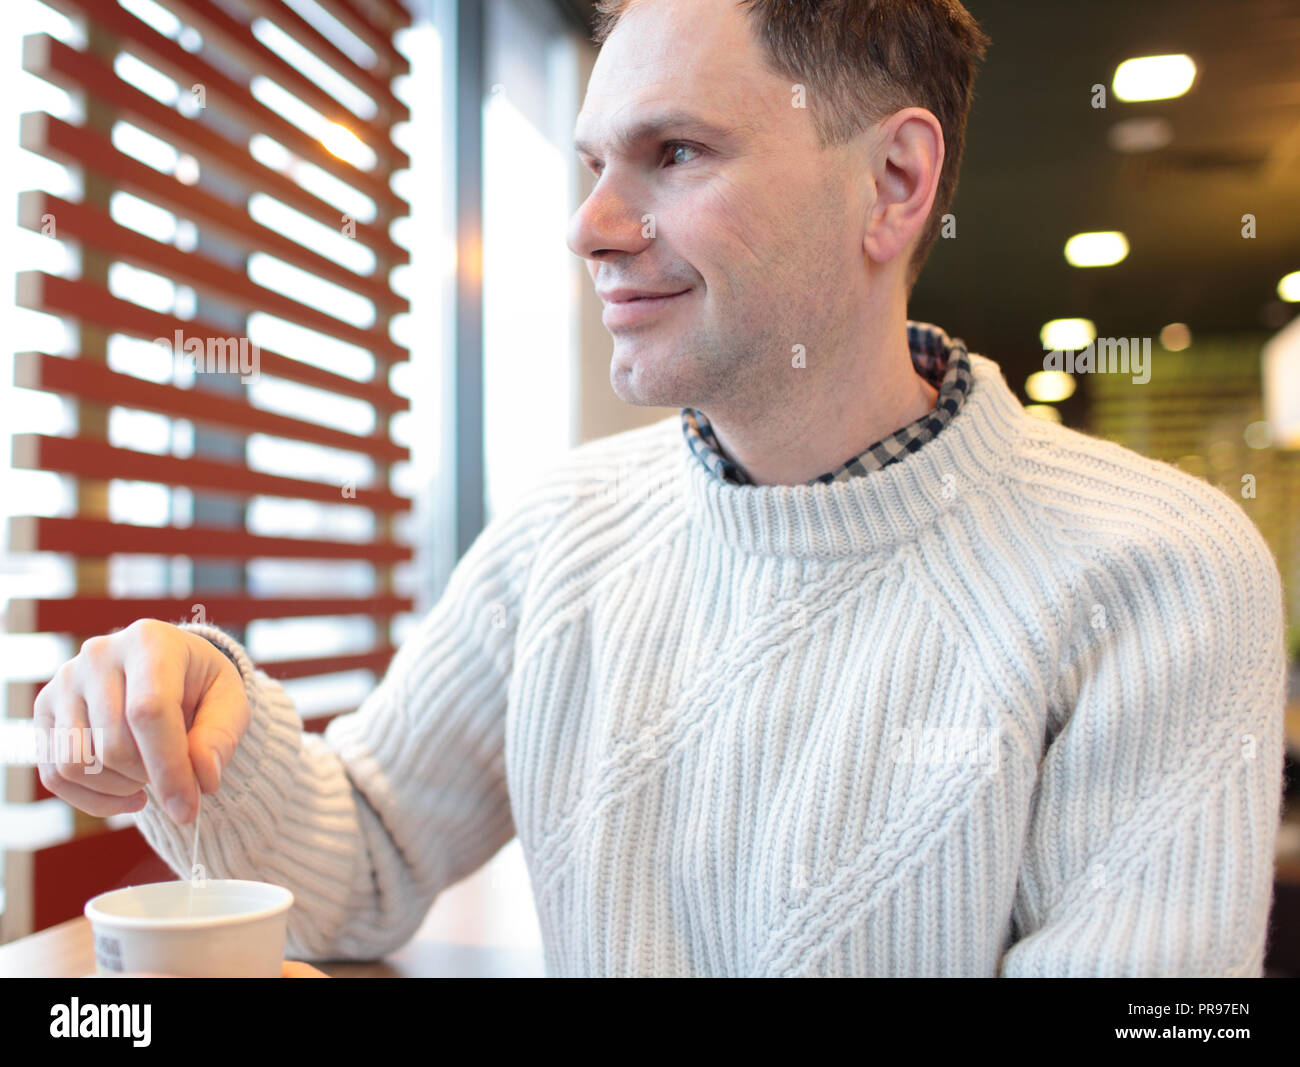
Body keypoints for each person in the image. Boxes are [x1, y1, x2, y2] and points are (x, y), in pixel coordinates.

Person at [36, 0, 1286, 977]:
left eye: (673, 152)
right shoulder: (560, 534)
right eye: (590, 164)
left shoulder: (1158, 569)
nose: (589, 226)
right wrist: (205, 729)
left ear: (895, 186)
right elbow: (361, 858)